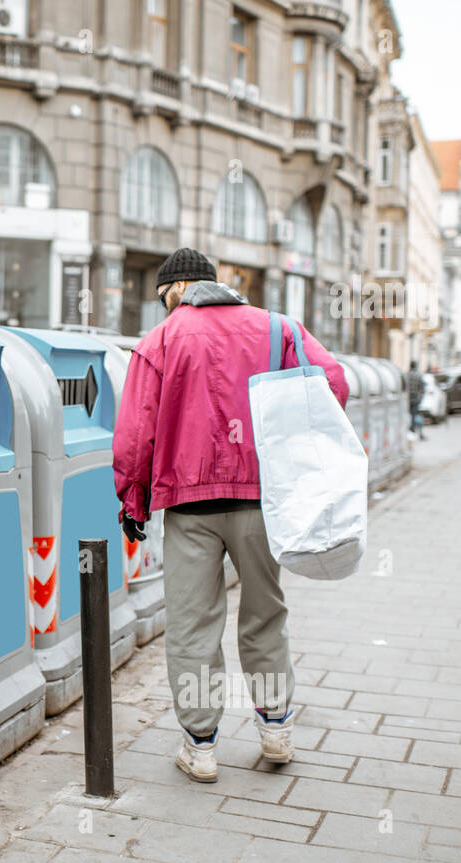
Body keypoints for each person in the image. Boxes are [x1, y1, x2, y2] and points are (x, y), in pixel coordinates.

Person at [112, 247, 349, 783]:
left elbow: (133, 437)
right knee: (265, 615)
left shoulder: (160, 341)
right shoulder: (277, 330)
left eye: (163, 297)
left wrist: (133, 501)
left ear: (175, 290)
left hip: (190, 507)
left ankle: (200, 747)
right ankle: (276, 730)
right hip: (261, 503)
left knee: (195, 626)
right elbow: (333, 383)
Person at [406, 360, 426, 440]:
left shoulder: (406, 375)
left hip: (407, 399)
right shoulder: (419, 375)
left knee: (408, 415)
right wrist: (420, 398)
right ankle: (413, 431)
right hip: (415, 399)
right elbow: (422, 388)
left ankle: (409, 431)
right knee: (414, 416)